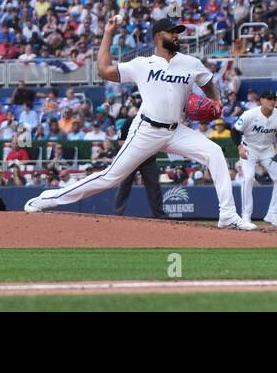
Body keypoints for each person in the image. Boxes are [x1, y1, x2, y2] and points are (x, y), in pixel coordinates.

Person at [24, 16, 254, 229]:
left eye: (178, 32)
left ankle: (227, 215)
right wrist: (107, 33)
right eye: (172, 32)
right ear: (158, 36)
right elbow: (104, 70)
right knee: (110, 177)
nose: (177, 35)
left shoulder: (190, 63)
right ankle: (48, 198)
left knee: (214, 152)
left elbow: (207, 84)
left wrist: (215, 101)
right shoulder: (141, 64)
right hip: (146, 129)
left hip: (176, 131)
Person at [235, 90, 277, 228]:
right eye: (269, 98)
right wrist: (240, 148)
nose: (272, 101)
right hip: (249, 149)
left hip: (267, 150)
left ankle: (272, 214)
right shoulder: (250, 114)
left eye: (274, 99)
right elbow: (234, 130)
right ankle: (245, 217)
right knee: (248, 178)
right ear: (262, 100)